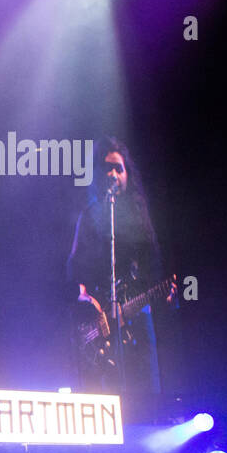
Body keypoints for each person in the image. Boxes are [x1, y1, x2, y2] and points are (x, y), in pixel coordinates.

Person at [66, 137, 174, 399]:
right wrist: (85, 296)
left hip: (137, 316)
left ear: (128, 174)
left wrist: (164, 290)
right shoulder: (90, 216)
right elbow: (74, 267)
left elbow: (154, 263)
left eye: (118, 168)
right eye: (107, 169)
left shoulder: (140, 215)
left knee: (146, 391)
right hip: (100, 320)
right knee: (105, 395)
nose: (113, 174)